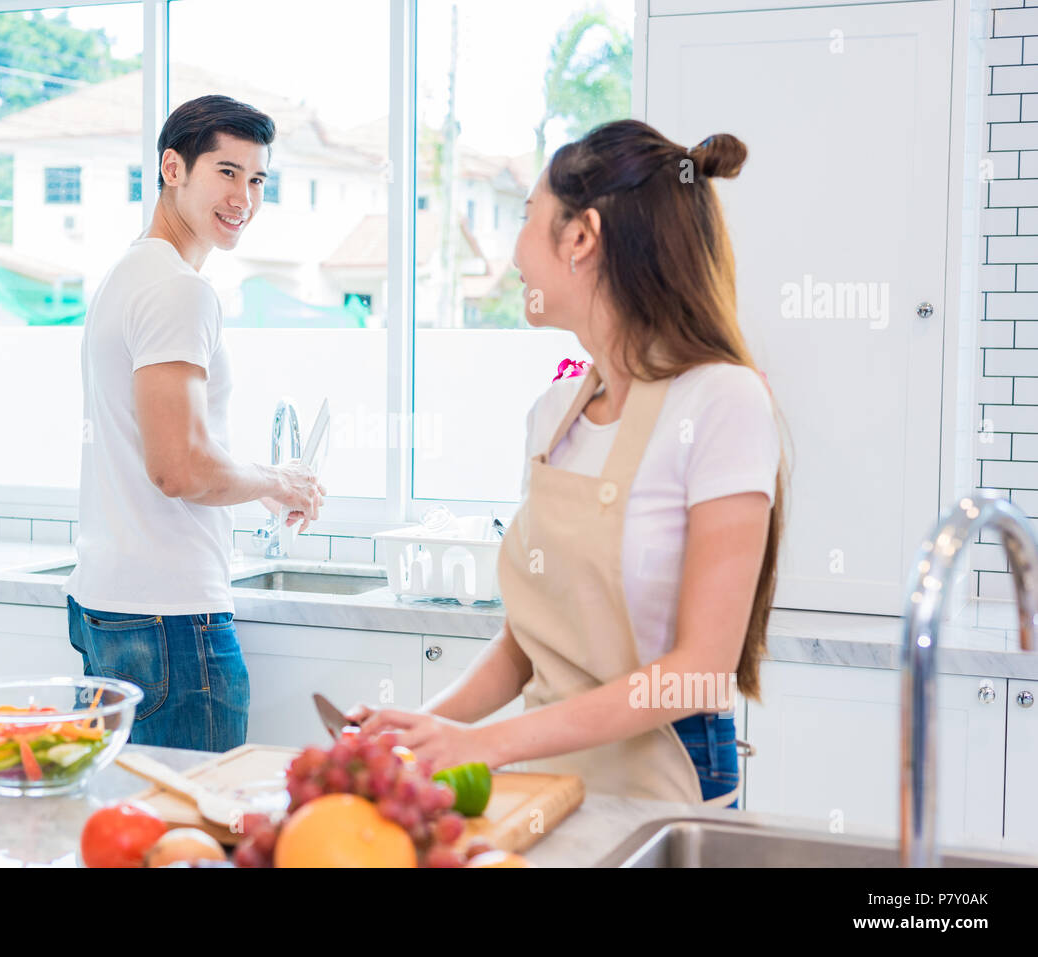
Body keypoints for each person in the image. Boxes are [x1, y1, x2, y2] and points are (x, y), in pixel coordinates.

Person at [353, 119, 787, 808]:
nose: (515, 249)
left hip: (663, 782)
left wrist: (494, 743)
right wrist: (428, 726)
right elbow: (525, 645)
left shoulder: (721, 400)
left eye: (528, 219)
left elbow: (701, 670)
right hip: (550, 783)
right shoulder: (553, 413)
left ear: (580, 236)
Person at [64, 95, 325, 750]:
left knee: (130, 832)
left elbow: (159, 446)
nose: (244, 196)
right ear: (173, 168)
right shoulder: (180, 289)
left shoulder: (130, 275)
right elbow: (178, 466)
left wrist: (258, 485)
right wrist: (281, 480)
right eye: (227, 172)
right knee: (195, 837)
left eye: (258, 178)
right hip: (171, 624)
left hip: (116, 611)